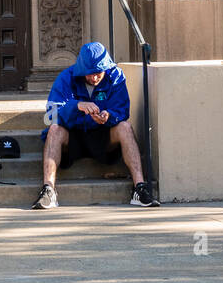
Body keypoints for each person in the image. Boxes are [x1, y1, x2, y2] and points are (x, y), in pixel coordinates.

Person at [32, 40, 157, 208]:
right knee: (54, 130)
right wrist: (76, 106)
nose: (95, 77)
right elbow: (50, 115)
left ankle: (139, 188)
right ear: (81, 69)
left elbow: (122, 110)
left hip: (103, 136)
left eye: (99, 72)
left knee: (125, 127)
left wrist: (109, 116)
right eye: (89, 73)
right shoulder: (66, 77)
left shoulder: (116, 76)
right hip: (73, 136)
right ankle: (48, 190)